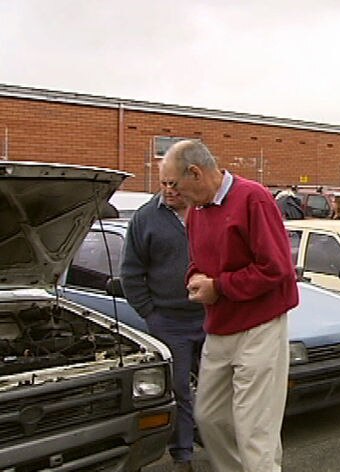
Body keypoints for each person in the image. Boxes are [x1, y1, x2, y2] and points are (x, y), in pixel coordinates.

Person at [160, 140, 299, 472]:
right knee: (210, 417)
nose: (170, 193)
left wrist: (219, 287)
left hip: (259, 328)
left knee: (255, 430)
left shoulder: (253, 198)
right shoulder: (197, 212)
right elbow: (198, 261)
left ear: (195, 173)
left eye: (173, 183)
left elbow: (276, 268)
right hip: (220, 327)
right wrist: (195, 278)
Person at [121, 170, 205, 472]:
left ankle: (210, 437)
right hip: (169, 323)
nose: (169, 190)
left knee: (216, 388)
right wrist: (150, 314)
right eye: (164, 184)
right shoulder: (145, 218)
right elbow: (130, 273)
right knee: (180, 388)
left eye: (175, 185)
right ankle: (183, 455)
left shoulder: (206, 211)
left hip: (211, 318)